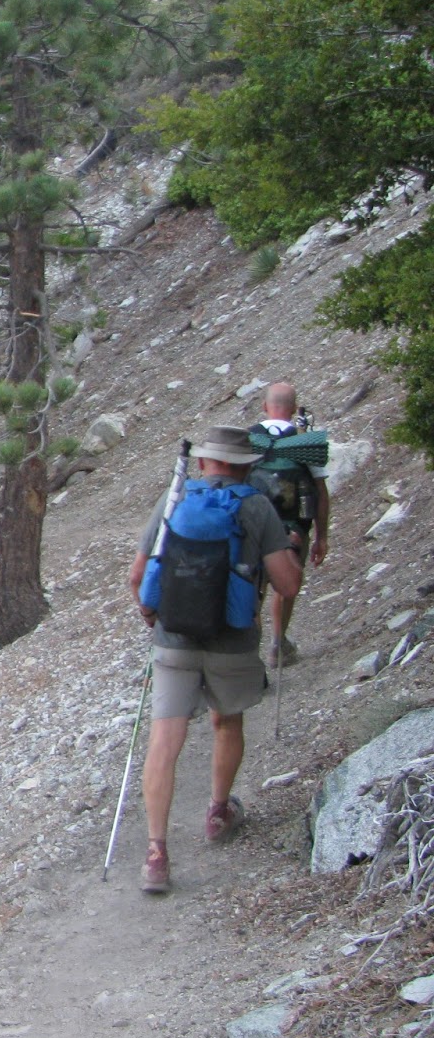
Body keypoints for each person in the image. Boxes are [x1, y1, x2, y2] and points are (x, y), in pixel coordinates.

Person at [127, 426, 301, 894]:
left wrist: (152, 616)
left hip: (173, 638)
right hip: (232, 638)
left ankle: (156, 854)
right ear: (246, 465)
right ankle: (218, 812)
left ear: (204, 462)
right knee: (227, 721)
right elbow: (286, 585)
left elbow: (138, 575)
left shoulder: (176, 498)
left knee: (164, 739)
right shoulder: (256, 506)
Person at [250, 381, 330, 667]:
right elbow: (320, 492)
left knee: (253, 592)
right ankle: (278, 645)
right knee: (286, 586)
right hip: (292, 529)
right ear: (294, 409)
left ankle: (250, 658)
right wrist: (321, 536)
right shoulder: (305, 444)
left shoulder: (249, 440)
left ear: (264, 407)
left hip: (253, 530)